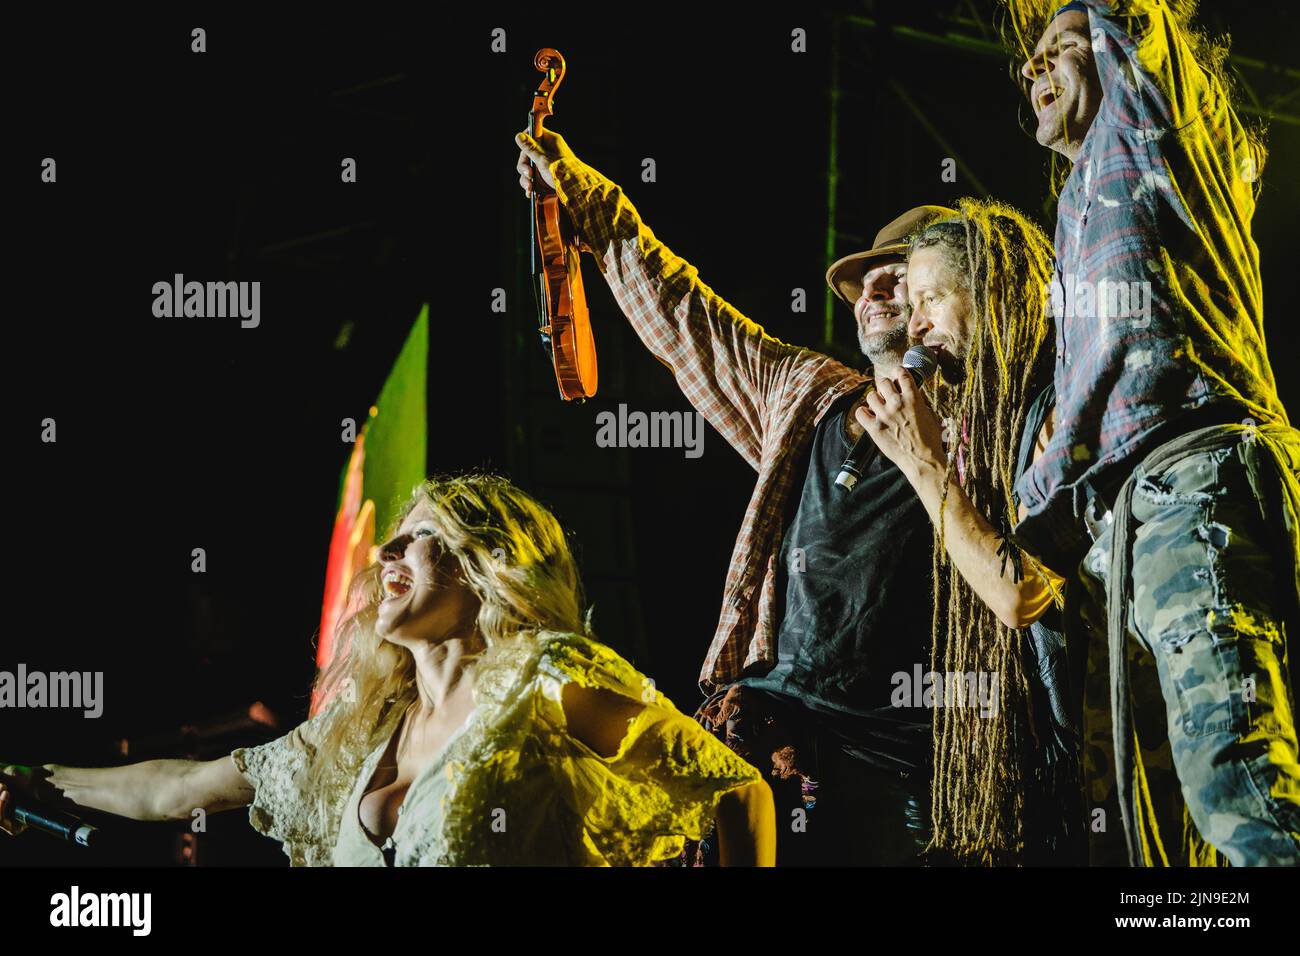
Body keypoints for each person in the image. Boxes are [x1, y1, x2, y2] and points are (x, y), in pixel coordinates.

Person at [514, 131, 1075, 864]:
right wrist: (584, 195)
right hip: (773, 742)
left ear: (952, 293)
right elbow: (684, 312)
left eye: (899, 278)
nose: (872, 293)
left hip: (911, 771)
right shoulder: (809, 396)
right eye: (862, 285)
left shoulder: (1004, 426)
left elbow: (1033, 590)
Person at [0, 474, 775, 866]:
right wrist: (36, 776)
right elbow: (179, 789)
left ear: (485, 564)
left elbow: (738, 790)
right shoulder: (360, 735)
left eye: (416, 538)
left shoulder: (545, 676)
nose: (385, 555)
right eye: (390, 542)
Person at [1002, 0, 1300, 864]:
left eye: (1058, 47)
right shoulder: (1074, 208)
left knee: (1238, 791)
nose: (1031, 69)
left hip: (1192, 480)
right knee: (1178, 845)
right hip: (1140, 517)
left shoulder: (1140, 126)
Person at [854, 200, 1084, 863]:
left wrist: (922, 464)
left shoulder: (1060, 410)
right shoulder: (982, 428)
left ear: (994, 296)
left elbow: (1019, 595)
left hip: (1106, 768)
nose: (916, 324)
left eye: (930, 298)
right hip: (1046, 771)